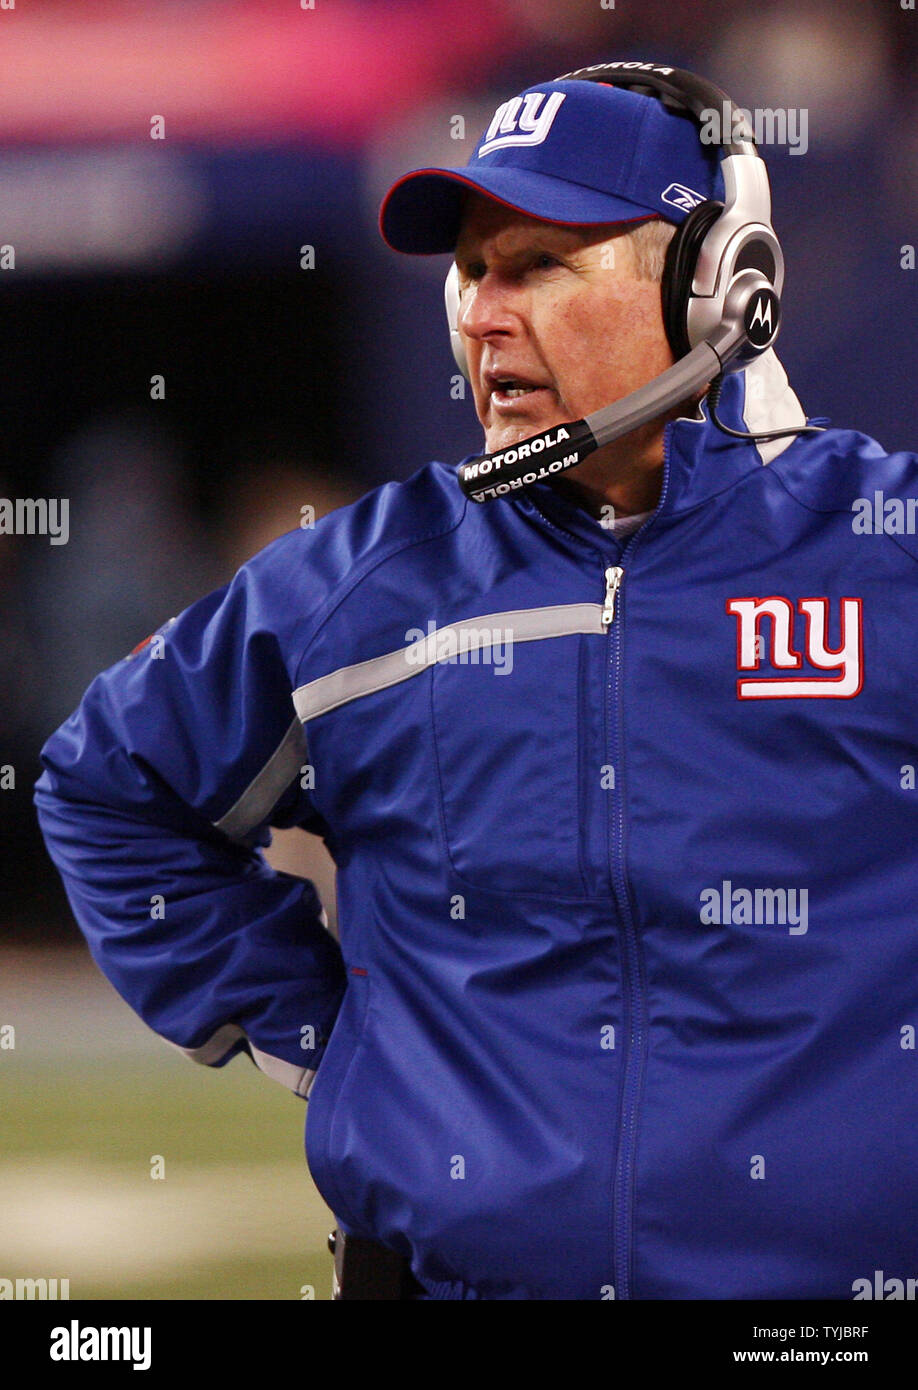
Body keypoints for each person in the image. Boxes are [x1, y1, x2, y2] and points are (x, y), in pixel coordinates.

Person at [36, 63, 918, 1301]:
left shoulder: (887, 552)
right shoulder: (361, 585)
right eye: (472, 270)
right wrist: (337, 1046)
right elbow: (104, 784)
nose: (483, 315)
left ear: (720, 285)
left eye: (540, 264)